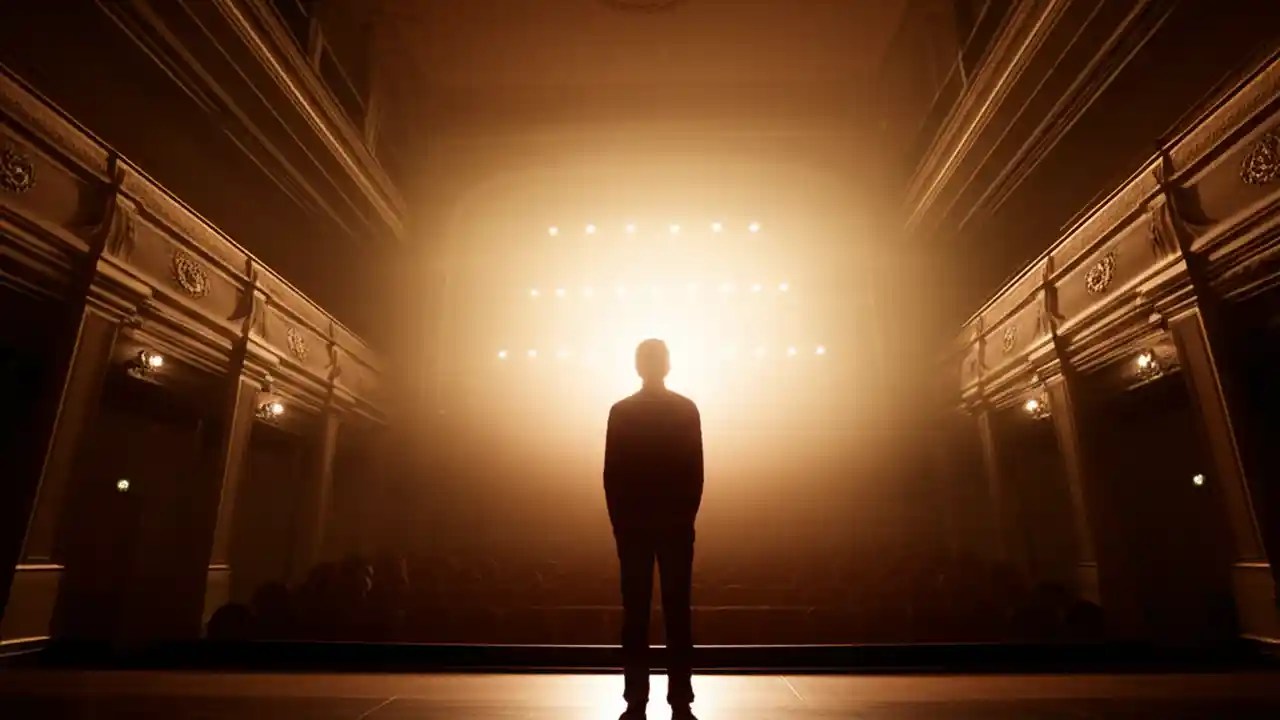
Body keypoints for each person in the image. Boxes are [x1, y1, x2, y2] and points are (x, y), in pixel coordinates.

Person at [604, 339, 703, 719]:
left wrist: (620, 524)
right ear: (668, 365)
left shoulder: (622, 412)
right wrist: (685, 518)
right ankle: (680, 698)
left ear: (637, 366)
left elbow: (612, 474)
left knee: (636, 614)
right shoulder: (685, 409)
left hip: (635, 527)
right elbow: (695, 472)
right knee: (678, 613)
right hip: (674, 524)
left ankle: (636, 698)